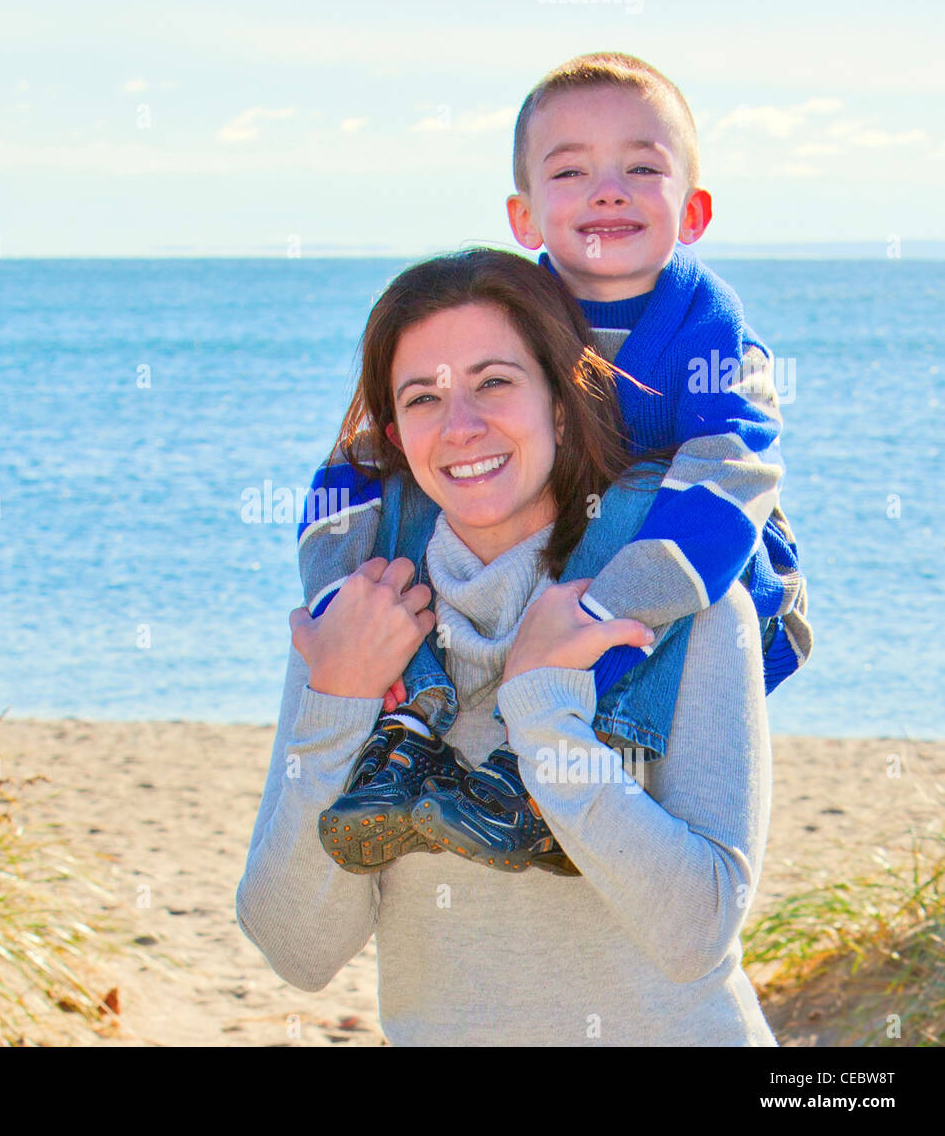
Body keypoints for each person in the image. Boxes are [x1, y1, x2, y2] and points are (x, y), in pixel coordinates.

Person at [236, 249, 778, 1045]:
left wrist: (545, 711)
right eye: (424, 398)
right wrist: (340, 700)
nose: (461, 426)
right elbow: (296, 948)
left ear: (561, 403)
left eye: (494, 383)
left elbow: (697, 933)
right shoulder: (356, 621)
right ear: (396, 434)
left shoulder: (685, 601)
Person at [297, 51, 810, 868]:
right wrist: (335, 598)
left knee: (646, 495)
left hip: (706, 557)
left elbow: (729, 485)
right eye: (570, 171)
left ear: (697, 209)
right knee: (424, 478)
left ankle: (572, 758)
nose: (608, 190)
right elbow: (363, 454)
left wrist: (599, 622)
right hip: (584, 530)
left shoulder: (713, 335)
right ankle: (410, 727)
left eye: (642, 167)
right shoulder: (513, 311)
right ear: (526, 217)